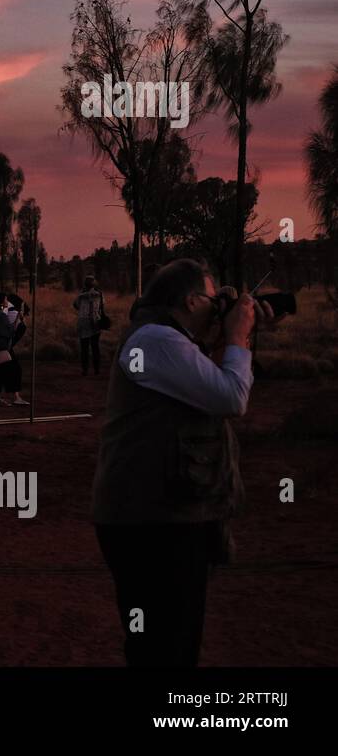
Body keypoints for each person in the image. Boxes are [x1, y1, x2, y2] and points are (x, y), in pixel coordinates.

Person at [93, 259, 275, 667]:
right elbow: (231, 397)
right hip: (154, 524)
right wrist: (237, 339)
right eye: (213, 300)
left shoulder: (160, 337)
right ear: (191, 301)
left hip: (153, 516)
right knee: (167, 648)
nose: (217, 308)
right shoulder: (156, 341)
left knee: (164, 644)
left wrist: (223, 338)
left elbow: (199, 386)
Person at [0, 292, 28, 406]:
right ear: (2, 302)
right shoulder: (1, 315)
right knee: (14, 369)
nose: (7, 301)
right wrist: (17, 320)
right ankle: (15, 397)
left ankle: (0, 397)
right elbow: (7, 331)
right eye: (5, 299)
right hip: (3, 346)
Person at [74, 276, 106, 375]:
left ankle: (85, 370)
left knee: (84, 347)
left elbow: (76, 305)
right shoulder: (99, 295)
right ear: (94, 284)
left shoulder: (81, 296)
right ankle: (96, 369)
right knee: (95, 346)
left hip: (83, 322)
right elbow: (102, 305)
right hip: (96, 321)